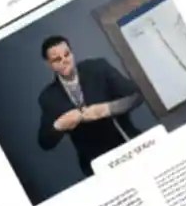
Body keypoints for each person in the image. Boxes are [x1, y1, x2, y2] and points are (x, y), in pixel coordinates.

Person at [36, 35, 143, 177]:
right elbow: (44, 142)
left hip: (129, 145)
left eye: (67, 54)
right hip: (97, 166)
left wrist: (107, 109)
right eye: (56, 59)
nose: (64, 61)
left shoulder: (98, 68)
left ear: (72, 53)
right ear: (49, 64)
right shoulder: (48, 98)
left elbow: (137, 96)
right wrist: (60, 125)